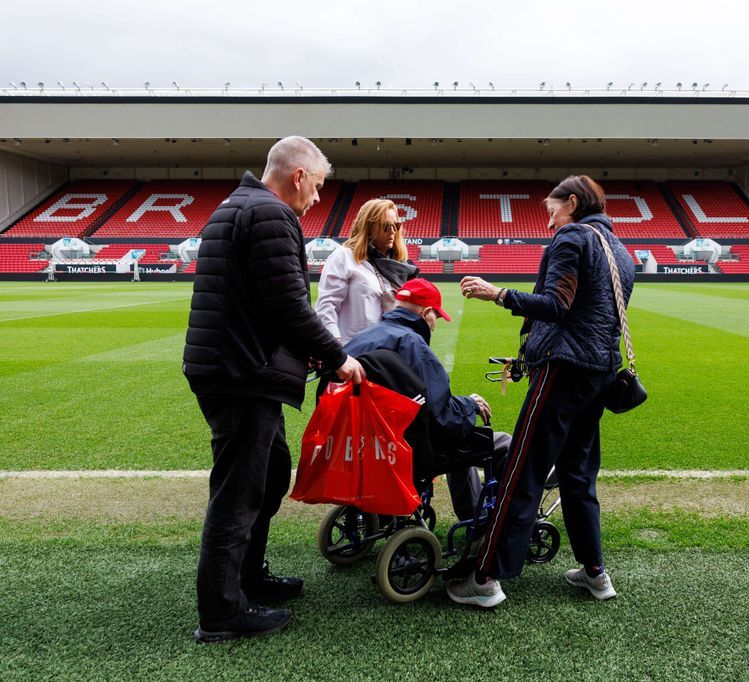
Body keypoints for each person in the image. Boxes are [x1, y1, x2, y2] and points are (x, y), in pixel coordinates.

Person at [183, 136, 365, 643]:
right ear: (299, 175)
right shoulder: (271, 214)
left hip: (236, 365)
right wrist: (336, 356)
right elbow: (288, 302)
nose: (318, 200)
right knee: (239, 493)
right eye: (319, 187)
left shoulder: (239, 206)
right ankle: (222, 612)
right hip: (242, 374)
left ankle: (248, 577)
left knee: (268, 475)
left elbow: (262, 300)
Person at [447, 175, 635, 608]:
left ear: (571, 203)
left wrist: (499, 294)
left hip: (563, 372)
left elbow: (557, 306)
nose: (549, 222)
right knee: (579, 477)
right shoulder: (620, 250)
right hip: (599, 374)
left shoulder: (572, 237)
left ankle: (486, 578)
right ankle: (595, 573)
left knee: (521, 473)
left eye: (551, 211)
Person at [342, 277, 510, 520]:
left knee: (461, 436)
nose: (434, 325)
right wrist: (470, 404)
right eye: (436, 318)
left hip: (361, 444)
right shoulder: (412, 344)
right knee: (497, 441)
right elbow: (443, 416)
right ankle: (482, 518)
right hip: (411, 447)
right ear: (426, 313)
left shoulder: (360, 339)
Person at [315, 198, 418, 345]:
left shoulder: (401, 266)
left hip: (389, 349)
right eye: (386, 226)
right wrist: (335, 346)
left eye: (396, 225)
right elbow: (327, 306)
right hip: (353, 350)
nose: (393, 231)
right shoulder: (344, 256)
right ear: (368, 227)